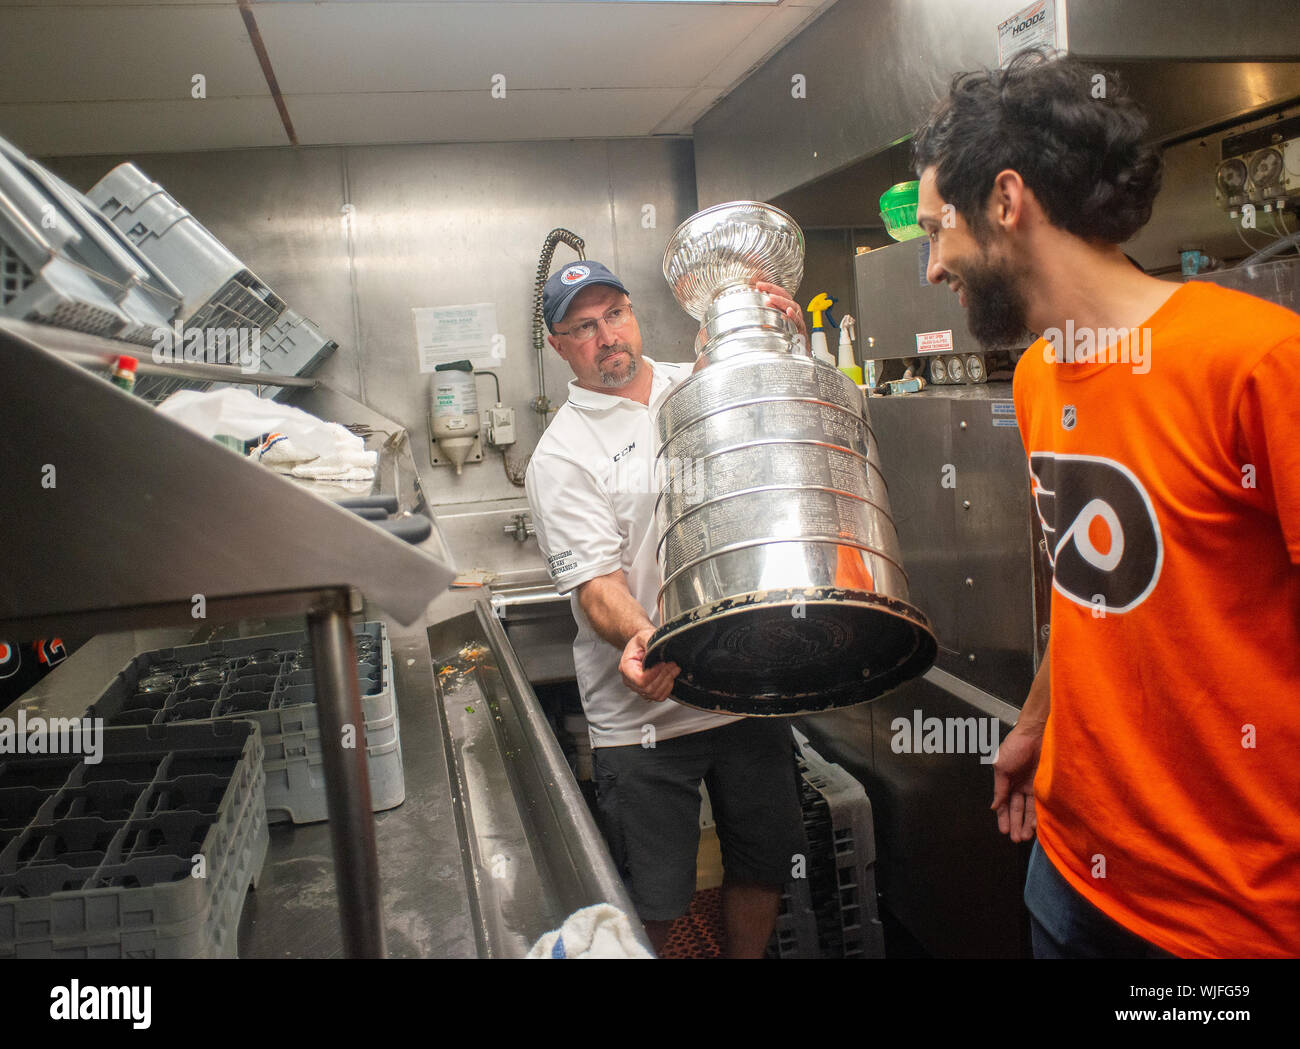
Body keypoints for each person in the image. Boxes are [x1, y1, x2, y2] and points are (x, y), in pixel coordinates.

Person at [912, 51, 1300, 958]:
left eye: (938, 230)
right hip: (1070, 875)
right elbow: (1088, 585)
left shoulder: (1258, 362)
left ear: (1007, 202)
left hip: (1224, 923)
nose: (932, 267)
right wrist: (1039, 722)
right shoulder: (1041, 375)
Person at [524, 259, 809, 957]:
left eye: (614, 313)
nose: (606, 335)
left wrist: (782, 339)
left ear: (634, 313)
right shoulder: (561, 454)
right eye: (582, 327)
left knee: (762, 863)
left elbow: (783, 428)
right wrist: (651, 638)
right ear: (559, 345)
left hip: (746, 688)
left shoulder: (700, 384)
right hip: (644, 712)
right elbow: (597, 588)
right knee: (651, 898)